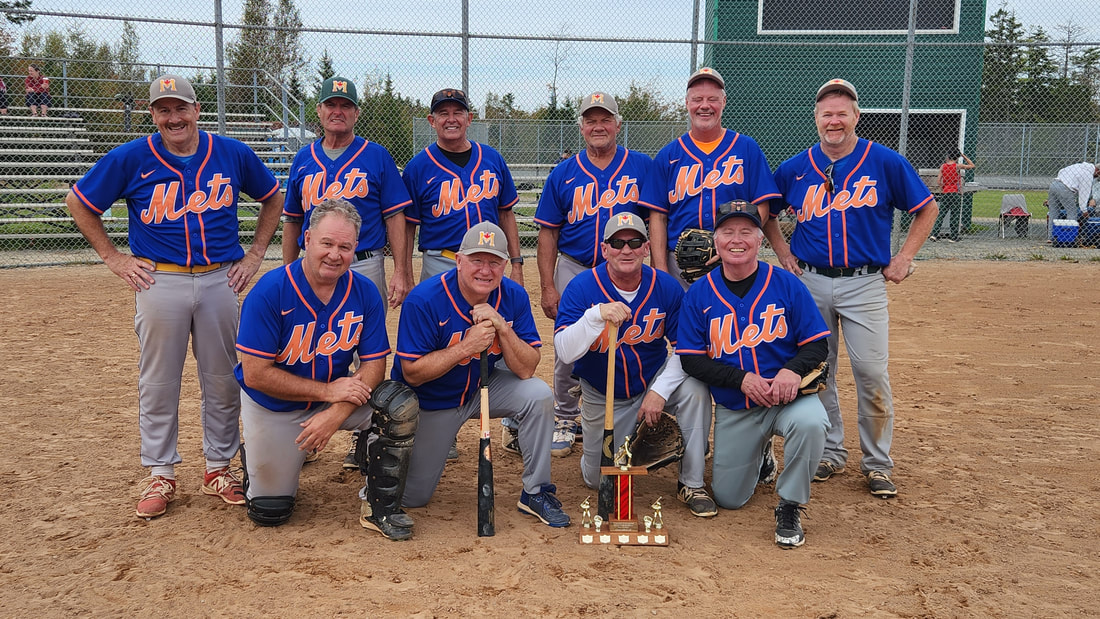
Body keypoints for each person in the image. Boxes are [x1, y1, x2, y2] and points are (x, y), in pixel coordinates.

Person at [65, 74, 283, 519]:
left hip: (221, 278)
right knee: (159, 381)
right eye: (163, 109)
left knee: (223, 378)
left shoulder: (231, 153)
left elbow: (273, 196)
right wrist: (114, 258)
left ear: (196, 111)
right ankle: (161, 471)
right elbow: (79, 201)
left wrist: (258, 251)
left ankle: (218, 468)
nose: (173, 117)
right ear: (153, 115)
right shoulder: (132, 157)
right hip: (158, 280)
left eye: (180, 108)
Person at [764, 78, 938, 498]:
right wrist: (783, 252)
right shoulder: (795, 167)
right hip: (809, 281)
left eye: (843, 112)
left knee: (871, 372)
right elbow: (764, 209)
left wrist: (905, 257)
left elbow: (926, 207)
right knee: (819, 369)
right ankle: (831, 453)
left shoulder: (884, 161)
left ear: (857, 117)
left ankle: (877, 463)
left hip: (865, 282)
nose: (835, 120)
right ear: (816, 119)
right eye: (827, 113)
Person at [235, 199, 416, 540]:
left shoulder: (363, 291)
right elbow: (256, 373)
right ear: (306, 239)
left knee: (399, 405)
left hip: (337, 399)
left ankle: (380, 505)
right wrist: (327, 392)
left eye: (345, 247)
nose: (335, 254)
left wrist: (335, 412)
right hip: (275, 405)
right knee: (270, 512)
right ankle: (258, 456)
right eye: (327, 243)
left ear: (355, 249)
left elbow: (375, 364)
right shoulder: (270, 292)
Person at [393, 222, 569, 528]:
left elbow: (527, 367)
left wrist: (501, 326)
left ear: (504, 265)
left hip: (482, 388)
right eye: (477, 260)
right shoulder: (425, 299)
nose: (485, 271)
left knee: (538, 396)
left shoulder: (512, 295)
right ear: (459, 260)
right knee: (413, 497)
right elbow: (412, 374)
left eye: (494, 262)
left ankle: (536, 491)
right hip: (434, 401)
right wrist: (466, 346)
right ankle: (381, 452)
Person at [677, 200, 830, 548]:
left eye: (746, 231)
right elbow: (691, 360)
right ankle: (762, 455)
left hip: (786, 400)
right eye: (728, 231)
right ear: (716, 241)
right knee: (730, 499)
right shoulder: (700, 293)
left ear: (759, 240)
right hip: (737, 407)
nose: (737, 239)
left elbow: (817, 345)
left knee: (812, 423)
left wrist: (792, 371)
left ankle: (790, 504)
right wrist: (740, 379)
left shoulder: (786, 285)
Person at [281, 75, 415, 470]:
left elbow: (396, 216)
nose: (337, 111)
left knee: (365, 349)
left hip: (364, 262)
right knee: (304, 349)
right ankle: (304, 432)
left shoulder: (376, 156)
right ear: (319, 111)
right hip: (309, 269)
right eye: (330, 105)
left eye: (345, 105)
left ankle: (364, 436)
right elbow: (292, 220)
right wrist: (289, 270)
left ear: (356, 113)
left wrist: (401, 270)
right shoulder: (303, 159)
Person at [553, 212, 716, 517]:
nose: (625, 250)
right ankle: (623, 444)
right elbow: (564, 352)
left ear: (646, 248)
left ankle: (691, 482)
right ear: (604, 249)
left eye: (634, 242)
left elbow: (687, 350)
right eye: (617, 242)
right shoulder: (583, 287)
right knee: (596, 480)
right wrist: (595, 315)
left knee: (695, 387)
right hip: (603, 392)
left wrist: (660, 393)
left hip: (651, 380)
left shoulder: (665, 287)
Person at [533, 91, 653, 457]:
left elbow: (656, 221)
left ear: (618, 125)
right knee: (569, 345)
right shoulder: (564, 173)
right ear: (581, 127)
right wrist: (549, 285)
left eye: (605, 119)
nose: (598, 126)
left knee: (634, 339)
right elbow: (548, 231)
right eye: (590, 120)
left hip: (627, 268)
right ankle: (566, 415)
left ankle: (635, 409)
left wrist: (658, 272)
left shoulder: (642, 166)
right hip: (576, 267)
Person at [640, 67, 781, 290]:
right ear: (687, 104)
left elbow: (761, 205)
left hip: (734, 259)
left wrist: (736, 242)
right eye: (697, 99)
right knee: (682, 323)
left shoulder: (746, 148)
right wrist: (661, 269)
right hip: (679, 262)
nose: (704, 106)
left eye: (712, 99)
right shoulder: (668, 155)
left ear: (724, 102)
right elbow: (658, 217)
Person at [402, 87, 524, 286]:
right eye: (443, 114)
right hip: (441, 261)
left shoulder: (492, 159)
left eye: (458, 113)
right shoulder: (417, 167)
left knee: (489, 317)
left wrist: (516, 264)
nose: (451, 119)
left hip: (488, 262)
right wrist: (406, 276)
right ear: (432, 121)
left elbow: (506, 213)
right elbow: (408, 227)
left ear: (469, 119)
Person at [930, 150, 974, 242]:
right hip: (955, 192)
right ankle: (953, 236)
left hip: (945, 192)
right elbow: (972, 165)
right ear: (957, 157)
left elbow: (939, 181)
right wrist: (963, 156)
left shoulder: (943, 166)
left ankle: (934, 234)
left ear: (948, 156)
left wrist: (944, 187)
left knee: (941, 214)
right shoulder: (957, 166)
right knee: (955, 215)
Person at [1047, 162, 1099, 230]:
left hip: (1054, 184)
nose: (1097, 177)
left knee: (1053, 212)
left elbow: (1062, 170)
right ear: (1098, 171)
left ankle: (1051, 237)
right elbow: (1084, 194)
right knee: (1072, 212)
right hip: (1065, 189)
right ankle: (1069, 236)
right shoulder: (1088, 175)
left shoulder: (1079, 166)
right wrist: (1084, 211)